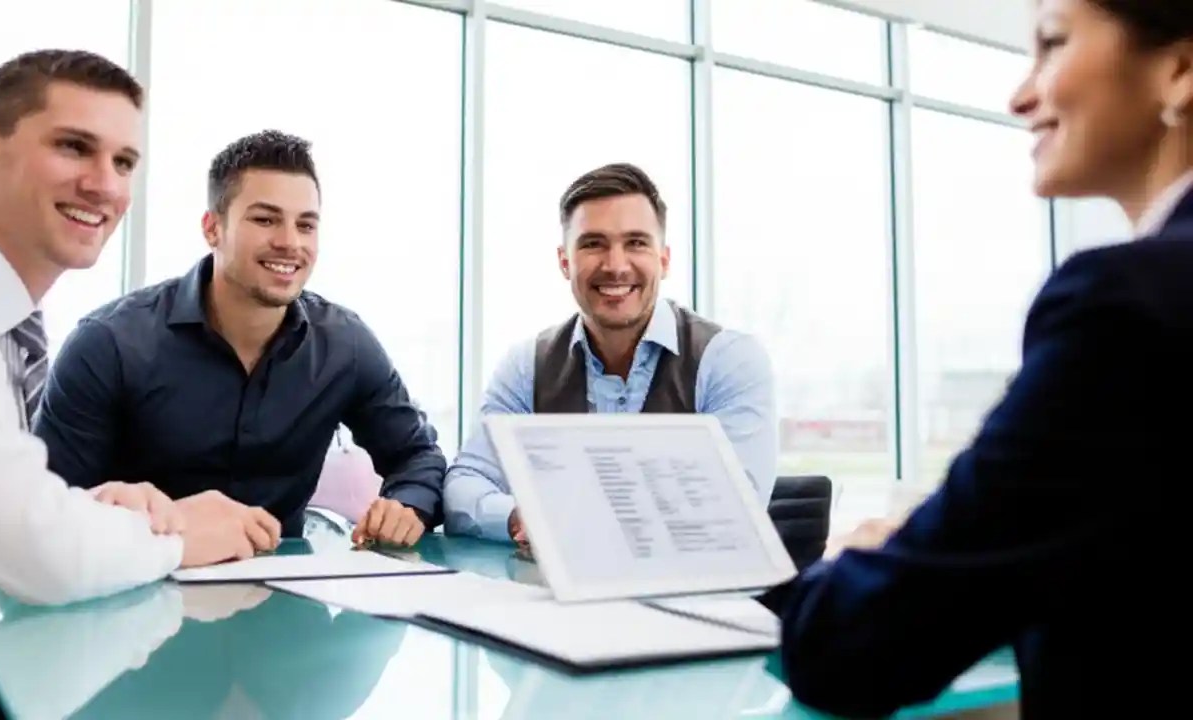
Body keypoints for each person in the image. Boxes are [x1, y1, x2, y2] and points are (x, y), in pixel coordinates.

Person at [761, 1, 1190, 717]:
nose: (1020, 96)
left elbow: (849, 649)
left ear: (1178, 68)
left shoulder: (1120, 307)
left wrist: (879, 555)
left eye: (1053, 45)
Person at [0, 49, 272, 715]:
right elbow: (36, 553)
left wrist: (89, 511)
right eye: (74, 147)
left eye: (124, 162)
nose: (105, 185)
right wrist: (181, 534)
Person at [34, 130, 447, 546]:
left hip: (287, 597)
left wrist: (406, 507)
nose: (290, 242)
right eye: (265, 219)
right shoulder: (109, 345)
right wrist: (157, 524)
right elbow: (47, 513)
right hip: (139, 587)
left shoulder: (345, 346)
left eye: (306, 225)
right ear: (212, 228)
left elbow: (418, 457)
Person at [444, 162, 778, 542]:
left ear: (663, 260)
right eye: (593, 244)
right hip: (555, 597)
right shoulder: (526, 367)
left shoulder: (728, 360)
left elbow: (736, 509)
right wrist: (520, 518)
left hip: (695, 594)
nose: (616, 266)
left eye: (636, 242)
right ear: (564, 262)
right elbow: (464, 485)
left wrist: (578, 518)